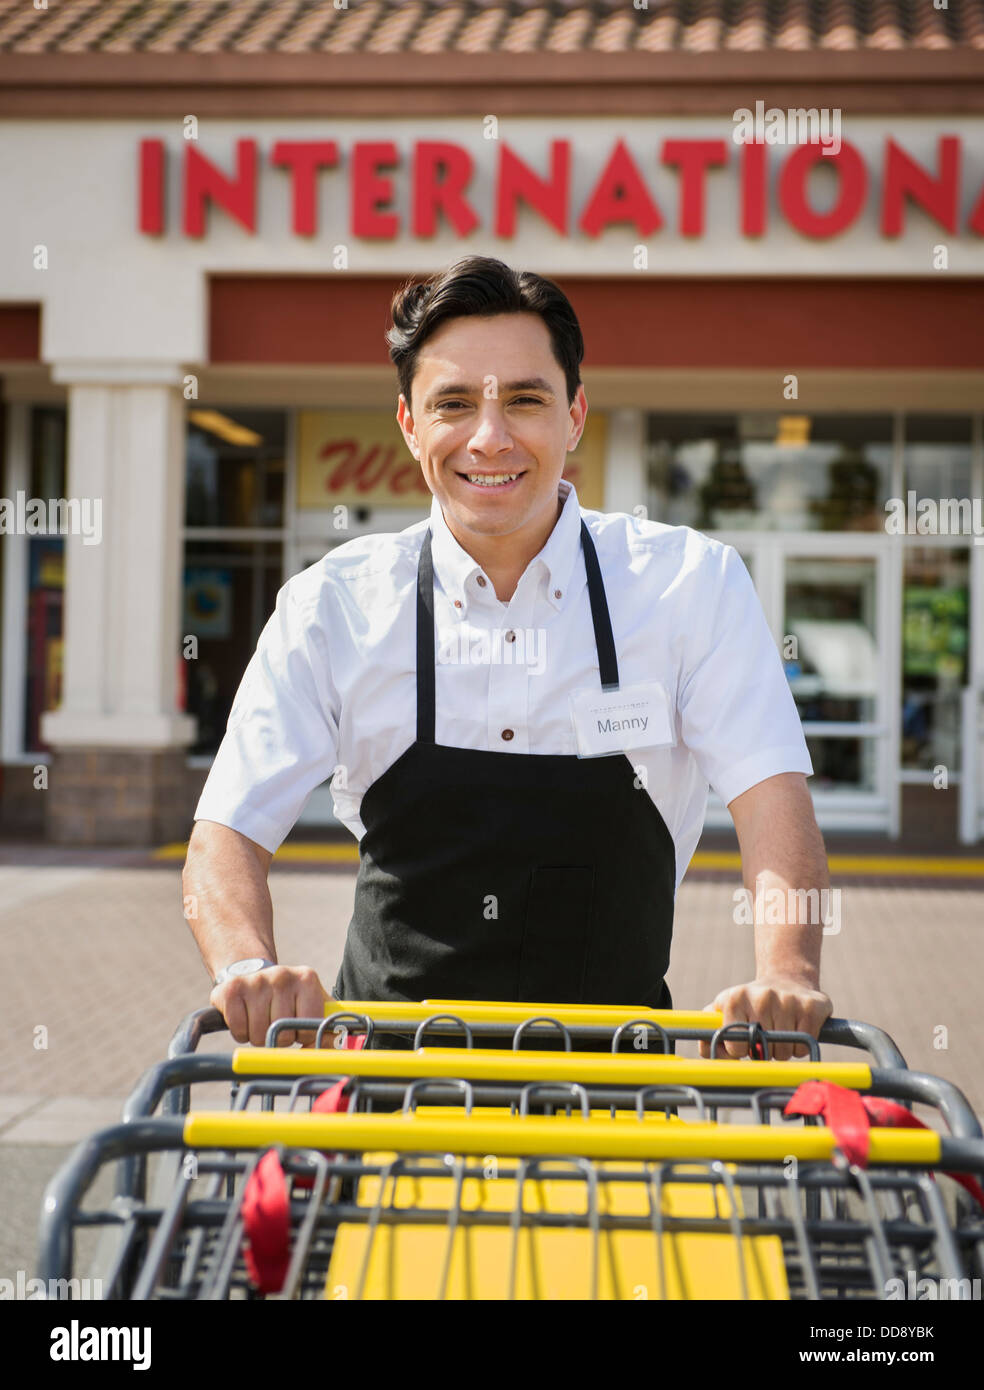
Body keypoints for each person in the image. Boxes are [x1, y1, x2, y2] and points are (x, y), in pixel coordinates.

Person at [183, 256, 833, 1061]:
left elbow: (773, 803)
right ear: (410, 425)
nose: (489, 437)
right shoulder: (334, 606)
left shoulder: (689, 586)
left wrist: (787, 971)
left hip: (616, 1110)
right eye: (453, 403)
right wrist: (250, 967)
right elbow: (226, 835)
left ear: (575, 415)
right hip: (384, 1101)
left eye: (525, 399)